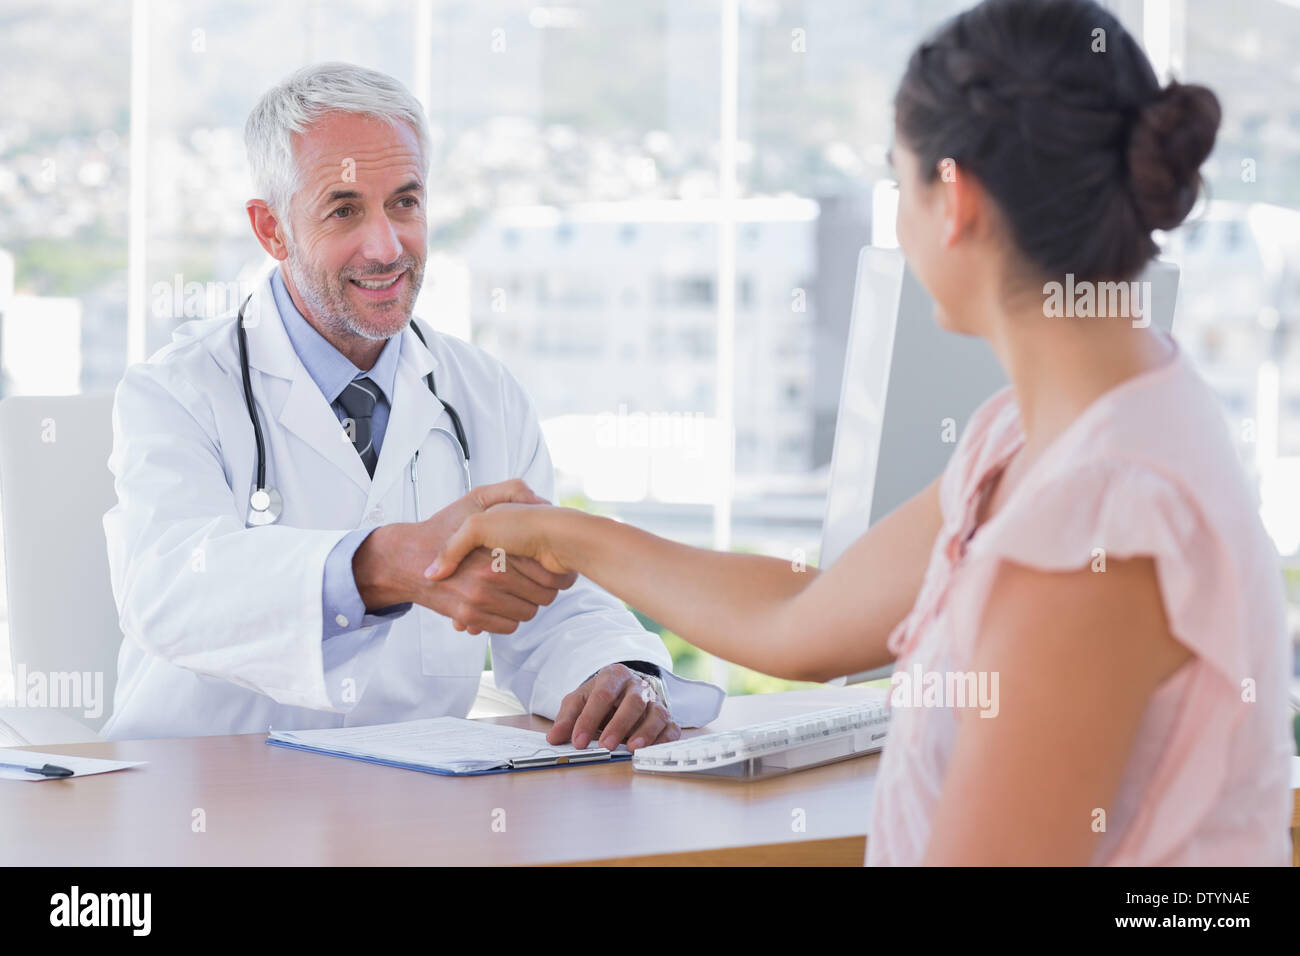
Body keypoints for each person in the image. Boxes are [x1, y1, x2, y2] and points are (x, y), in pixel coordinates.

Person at [425, 0, 1295, 865]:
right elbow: (802, 619)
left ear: (954, 202)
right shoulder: (1038, 435)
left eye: (898, 182)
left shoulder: (1102, 521)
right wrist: (560, 533)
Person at [100, 62, 724, 744]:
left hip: (413, 803)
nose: (387, 246)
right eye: (344, 210)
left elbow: (552, 605)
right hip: (201, 806)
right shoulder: (176, 392)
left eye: (405, 202)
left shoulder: (483, 394)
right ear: (272, 230)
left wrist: (617, 671)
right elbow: (168, 593)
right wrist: (381, 563)